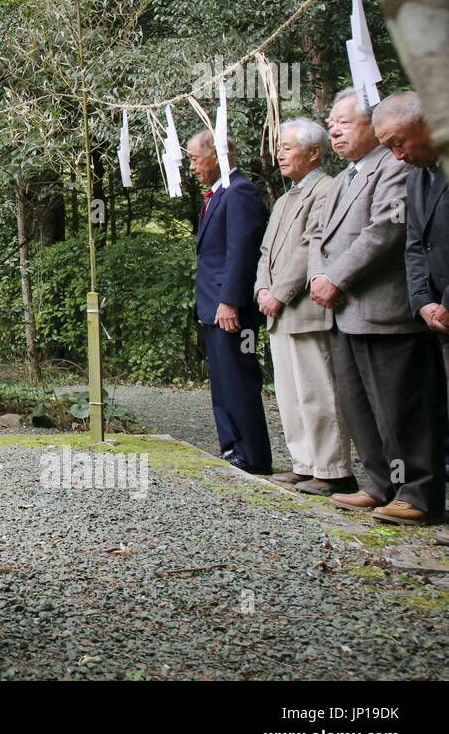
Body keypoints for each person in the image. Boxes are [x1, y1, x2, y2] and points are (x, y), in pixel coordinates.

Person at [309, 89, 442, 526]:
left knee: (401, 407)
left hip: (385, 307)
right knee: (359, 405)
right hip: (343, 310)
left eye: (344, 123)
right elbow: (319, 238)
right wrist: (318, 277)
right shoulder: (345, 177)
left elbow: (387, 231)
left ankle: (417, 491)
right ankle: (380, 483)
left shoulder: (396, 167)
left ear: (372, 125)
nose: (336, 132)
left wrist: (336, 277)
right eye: (331, 125)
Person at [255, 119, 355, 495]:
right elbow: (266, 251)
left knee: (318, 390)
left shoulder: (326, 189)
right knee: (290, 393)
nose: (280, 153)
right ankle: (304, 463)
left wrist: (279, 293)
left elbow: (308, 250)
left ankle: (333, 468)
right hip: (276, 311)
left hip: (304, 309)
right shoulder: (284, 198)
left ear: (314, 152)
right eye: (279, 147)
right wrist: (262, 288)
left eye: (288, 147)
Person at [370, 91, 449, 538]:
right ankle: (426, 500)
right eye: (389, 147)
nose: (397, 154)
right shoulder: (417, 176)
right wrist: (422, 300)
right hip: (434, 315)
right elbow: (415, 246)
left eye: (399, 142)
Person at [187, 128, 272, 473]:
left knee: (238, 379)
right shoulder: (217, 194)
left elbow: (242, 251)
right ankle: (231, 447)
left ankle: (252, 454)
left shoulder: (240, 193)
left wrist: (230, 300)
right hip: (211, 305)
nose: (191, 167)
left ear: (216, 154)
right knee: (221, 382)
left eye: (194, 158)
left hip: (229, 307)